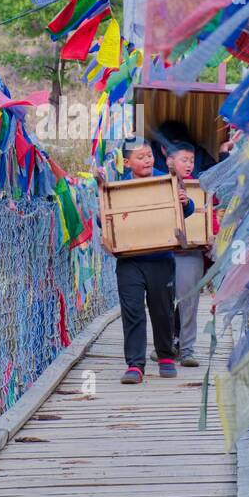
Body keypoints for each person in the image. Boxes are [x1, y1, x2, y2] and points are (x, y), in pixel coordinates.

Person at [99, 140, 194, 385]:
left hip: (161, 258)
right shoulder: (118, 188)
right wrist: (104, 211)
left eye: (150, 155)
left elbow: (186, 210)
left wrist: (185, 202)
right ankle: (135, 365)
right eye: (141, 157)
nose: (148, 160)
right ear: (127, 162)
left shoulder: (167, 181)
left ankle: (165, 357)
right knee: (133, 311)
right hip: (130, 261)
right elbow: (104, 221)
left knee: (162, 311)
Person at [165, 142, 204, 368]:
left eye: (192, 160)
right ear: (170, 161)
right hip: (161, 253)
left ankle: (188, 350)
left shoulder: (201, 186)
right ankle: (166, 346)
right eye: (184, 160)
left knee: (189, 301)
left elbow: (209, 216)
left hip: (190, 252)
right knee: (162, 303)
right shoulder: (157, 184)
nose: (189, 164)